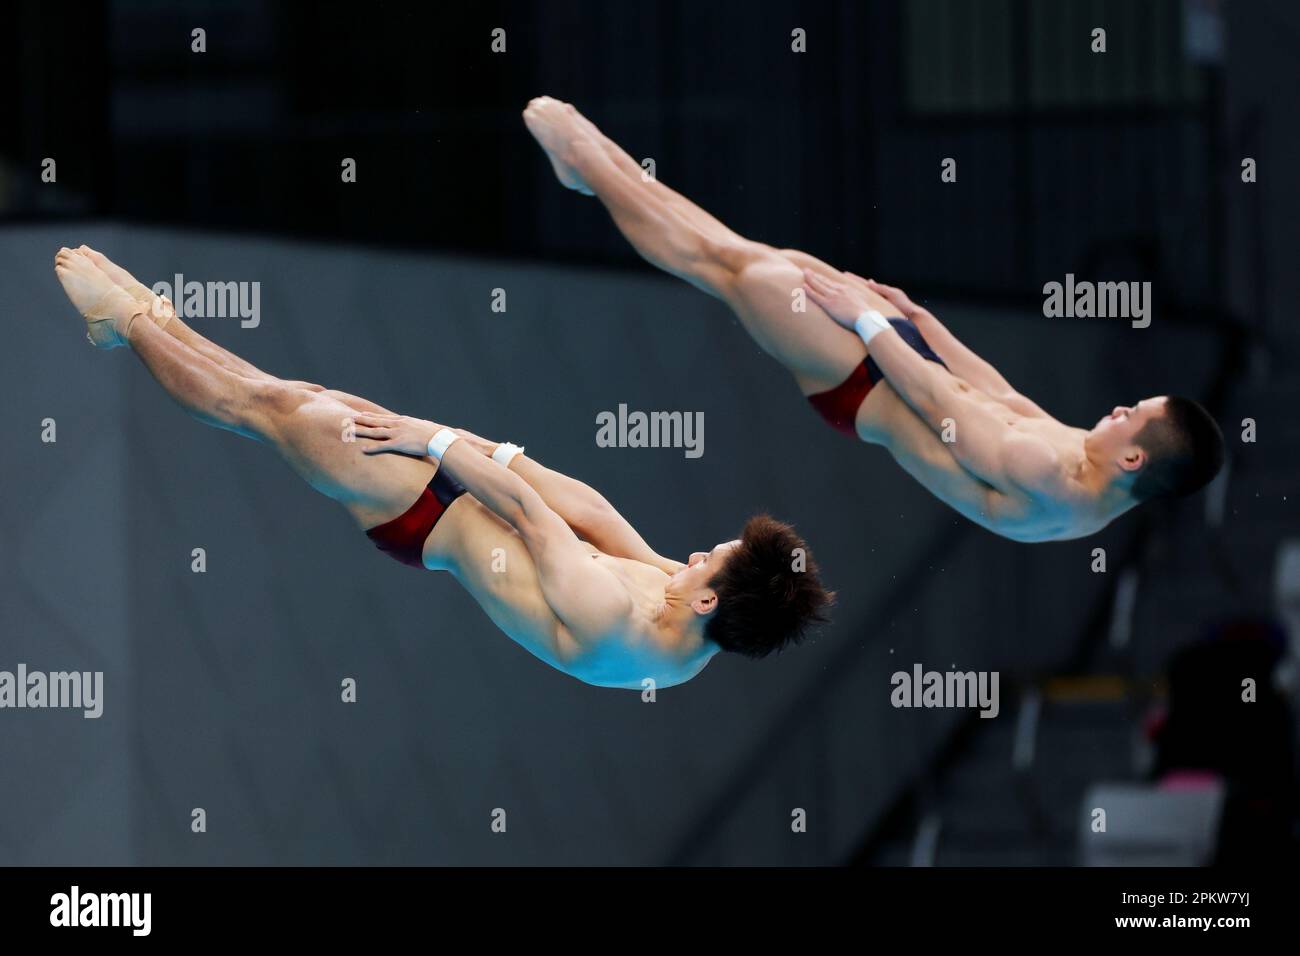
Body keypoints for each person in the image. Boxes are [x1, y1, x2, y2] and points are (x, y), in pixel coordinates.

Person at [53, 246, 831, 688]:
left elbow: (533, 517)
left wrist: (433, 438)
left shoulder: (616, 629)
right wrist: (475, 448)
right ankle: (156, 322)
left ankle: (124, 325)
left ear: (707, 602)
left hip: (426, 514)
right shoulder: (683, 603)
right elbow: (587, 511)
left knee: (259, 411)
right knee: (292, 399)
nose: (694, 552)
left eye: (710, 558)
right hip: (459, 482)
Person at [523, 96, 1226, 543]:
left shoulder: (1053, 481)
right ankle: (597, 166)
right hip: (898, 352)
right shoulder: (1089, 460)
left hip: (865, 380)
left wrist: (869, 322)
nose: (1117, 407)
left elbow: (937, 402)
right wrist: (924, 320)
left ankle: (586, 159)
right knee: (739, 252)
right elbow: (1001, 396)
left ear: (1134, 458)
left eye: (1130, 412)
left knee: (721, 269)